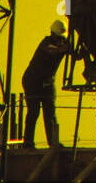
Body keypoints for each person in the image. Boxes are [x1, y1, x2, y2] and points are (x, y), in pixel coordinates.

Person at [21, 19, 70, 149]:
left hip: (48, 82)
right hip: (33, 81)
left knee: (50, 114)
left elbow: (72, 53)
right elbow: (52, 51)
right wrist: (65, 49)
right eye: (59, 38)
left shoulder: (63, 44)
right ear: (53, 34)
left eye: (62, 39)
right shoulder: (46, 43)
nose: (60, 41)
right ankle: (28, 142)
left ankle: (53, 142)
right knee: (34, 111)